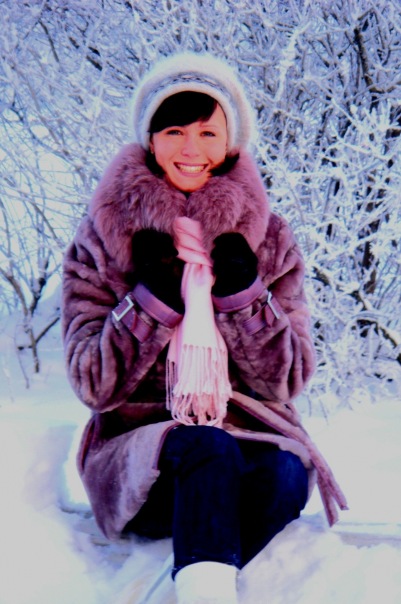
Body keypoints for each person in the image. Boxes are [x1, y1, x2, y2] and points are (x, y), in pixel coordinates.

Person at [62, 52, 347, 604]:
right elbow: (92, 384)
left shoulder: (269, 239)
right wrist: (150, 301)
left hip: (248, 442)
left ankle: (189, 577)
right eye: (174, 131)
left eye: (207, 132)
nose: (191, 149)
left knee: (286, 474)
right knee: (206, 447)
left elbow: (286, 380)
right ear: (150, 140)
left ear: (230, 143)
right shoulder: (101, 238)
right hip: (142, 467)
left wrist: (244, 295)